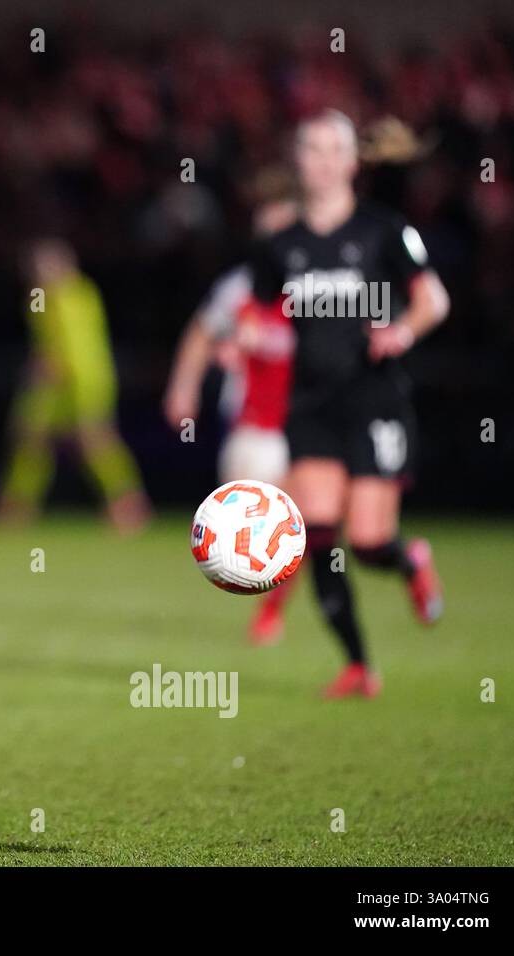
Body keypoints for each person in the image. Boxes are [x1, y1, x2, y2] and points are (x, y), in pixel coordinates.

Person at [247, 109, 449, 699]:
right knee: (315, 534)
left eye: (335, 148)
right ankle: (360, 666)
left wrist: (402, 332)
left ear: (353, 161)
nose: (324, 159)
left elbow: (434, 299)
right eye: (312, 148)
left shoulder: (383, 230)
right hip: (311, 405)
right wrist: (249, 339)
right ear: (298, 160)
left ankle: (408, 558)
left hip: (374, 399)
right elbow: (260, 312)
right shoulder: (281, 244)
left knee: (367, 541)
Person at [164, 193, 299, 643]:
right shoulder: (241, 288)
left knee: (304, 521)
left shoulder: (323, 287)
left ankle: (270, 609)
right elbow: (203, 334)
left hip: (306, 420)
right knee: (253, 517)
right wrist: (184, 386)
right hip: (252, 422)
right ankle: (261, 594)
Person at [0, 237, 151, 532]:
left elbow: (55, 347)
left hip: (68, 379)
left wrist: (41, 379)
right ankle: (127, 503)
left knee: (48, 439)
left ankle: (17, 507)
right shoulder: (85, 291)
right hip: (93, 376)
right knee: (62, 441)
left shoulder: (45, 297)